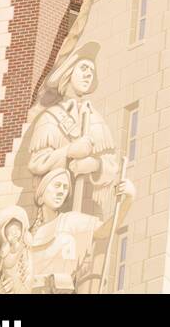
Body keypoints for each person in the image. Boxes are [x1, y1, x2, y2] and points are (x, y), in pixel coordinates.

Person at [27, 41, 121, 218]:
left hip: (88, 211)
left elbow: (112, 165)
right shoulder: (50, 118)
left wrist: (95, 165)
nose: (88, 75)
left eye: (92, 72)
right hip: (56, 212)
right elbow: (37, 163)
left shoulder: (96, 119)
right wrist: (69, 151)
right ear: (69, 73)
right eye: (84, 68)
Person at [26, 167, 134, 293]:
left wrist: (129, 199)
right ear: (41, 194)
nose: (61, 191)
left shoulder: (70, 221)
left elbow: (105, 230)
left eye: (65, 188)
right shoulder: (26, 235)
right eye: (57, 185)